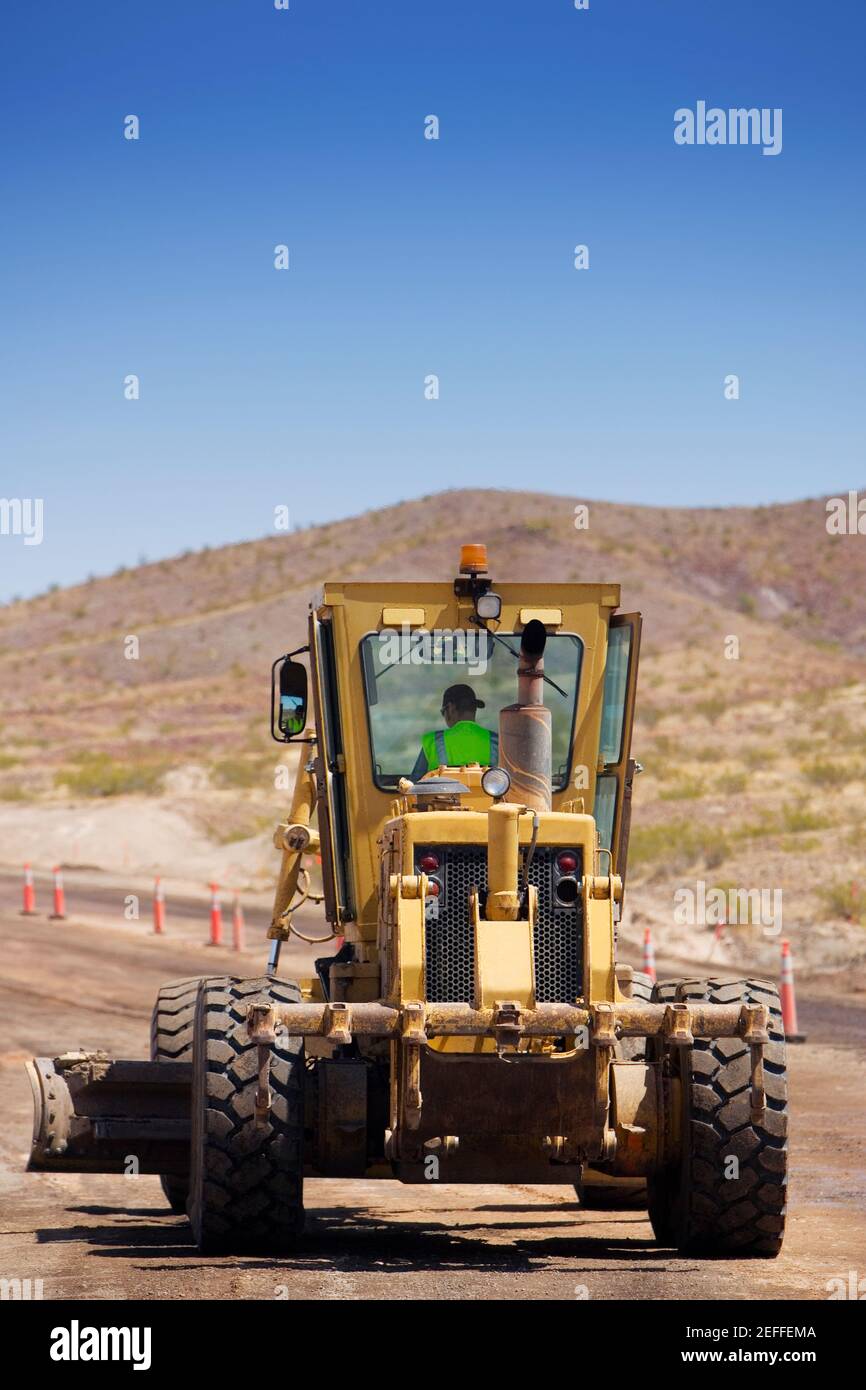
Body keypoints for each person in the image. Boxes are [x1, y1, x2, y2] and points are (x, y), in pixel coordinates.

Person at [410, 684, 499, 780]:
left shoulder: (432, 741)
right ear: (474, 709)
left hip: (443, 795)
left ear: (450, 708)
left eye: (442, 712)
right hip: (486, 795)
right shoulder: (496, 741)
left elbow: (415, 783)